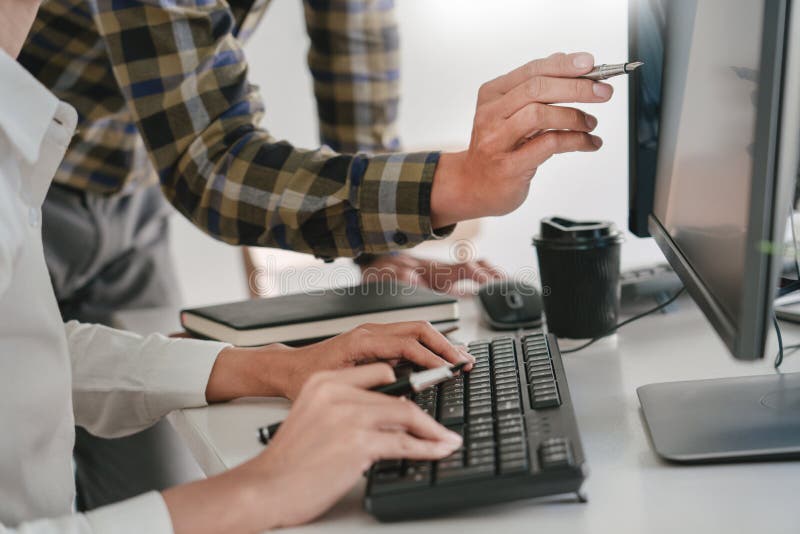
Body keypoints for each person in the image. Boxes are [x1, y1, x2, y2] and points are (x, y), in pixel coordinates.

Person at [1, 7, 470, 531]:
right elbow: (211, 162)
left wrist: (270, 366)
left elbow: (32, 355)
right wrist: (259, 489)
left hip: (103, 182)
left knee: (161, 480)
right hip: (34, 169)